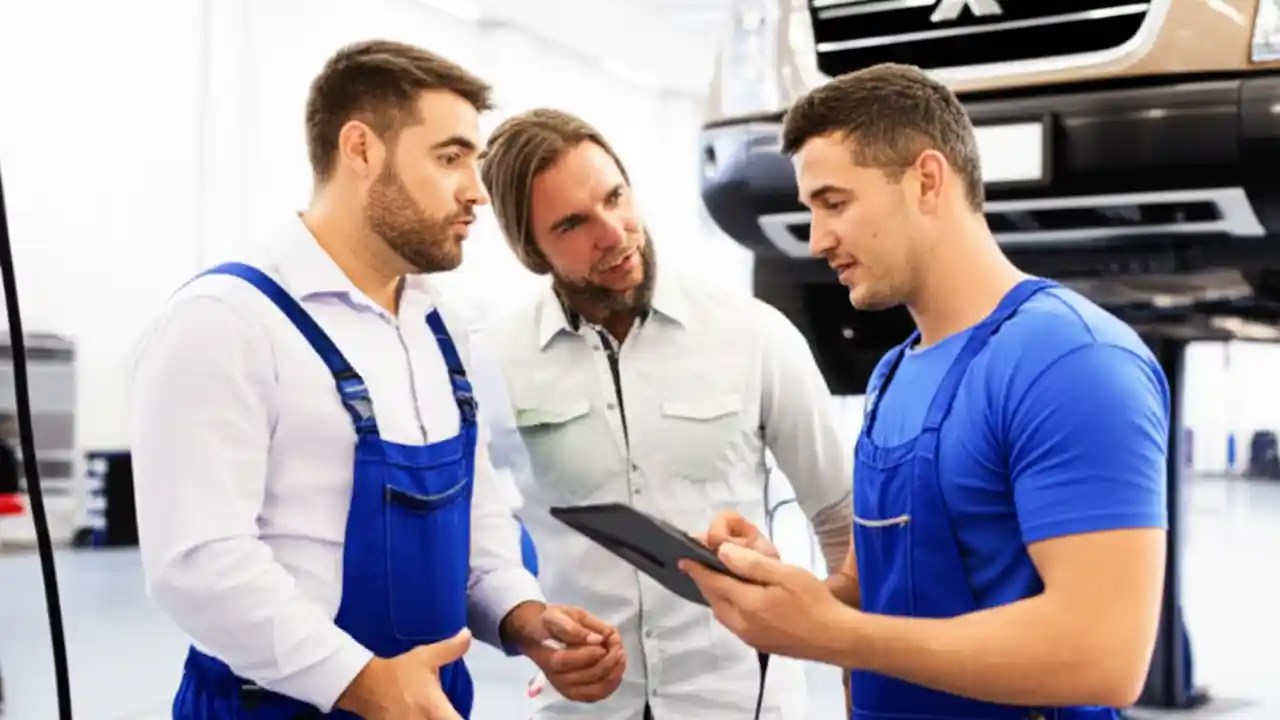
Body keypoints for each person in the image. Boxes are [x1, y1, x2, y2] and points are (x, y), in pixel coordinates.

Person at [128, 40, 626, 720]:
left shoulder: (439, 328)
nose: (476, 191)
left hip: (429, 702)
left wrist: (522, 617)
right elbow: (198, 563)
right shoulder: (226, 323)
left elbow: (477, 518)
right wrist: (366, 684)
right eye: (450, 157)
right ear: (360, 149)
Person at [681, 62, 1171, 720]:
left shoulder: (1072, 362)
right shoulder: (893, 376)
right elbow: (867, 593)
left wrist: (833, 633)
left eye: (835, 202)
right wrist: (782, 589)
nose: (818, 239)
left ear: (927, 181)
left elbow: (1103, 657)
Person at [472, 108, 855, 720]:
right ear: (530, 250)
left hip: (740, 704)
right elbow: (471, 541)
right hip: (582, 710)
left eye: (615, 197)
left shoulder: (753, 333)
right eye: (573, 224)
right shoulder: (492, 360)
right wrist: (525, 629)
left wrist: (855, 669)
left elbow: (841, 519)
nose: (614, 232)